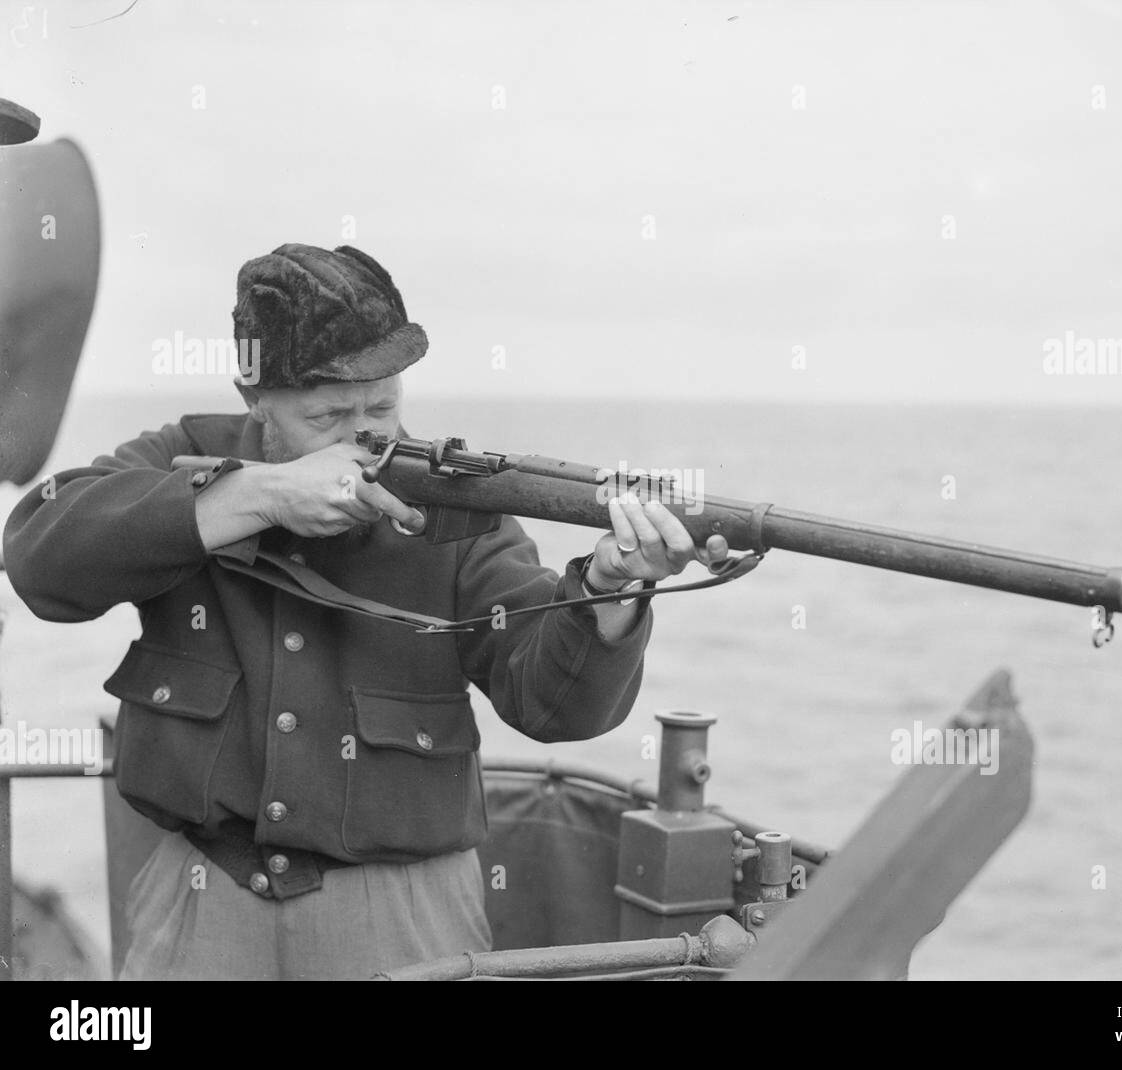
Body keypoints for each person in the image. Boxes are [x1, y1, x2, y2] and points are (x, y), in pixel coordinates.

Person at [2, 243, 729, 980]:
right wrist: (253, 496)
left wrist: (612, 588)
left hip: (402, 916)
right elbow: (38, 555)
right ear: (255, 399)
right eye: (328, 415)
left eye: (383, 406)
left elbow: (553, 705)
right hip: (199, 897)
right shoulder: (186, 456)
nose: (366, 435)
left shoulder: (448, 501)